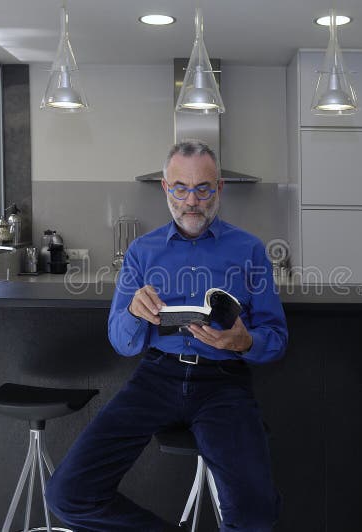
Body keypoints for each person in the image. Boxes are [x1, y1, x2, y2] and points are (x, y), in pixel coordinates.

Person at [45, 139, 288, 531]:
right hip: (155, 378)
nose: (192, 200)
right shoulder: (141, 252)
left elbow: (276, 338)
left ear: (219, 189)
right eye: (180, 188)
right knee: (67, 494)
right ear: (165, 188)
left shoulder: (250, 250)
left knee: (256, 513)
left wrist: (243, 342)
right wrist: (135, 313)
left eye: (203, 189)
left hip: (223, 383)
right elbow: (122, 343)